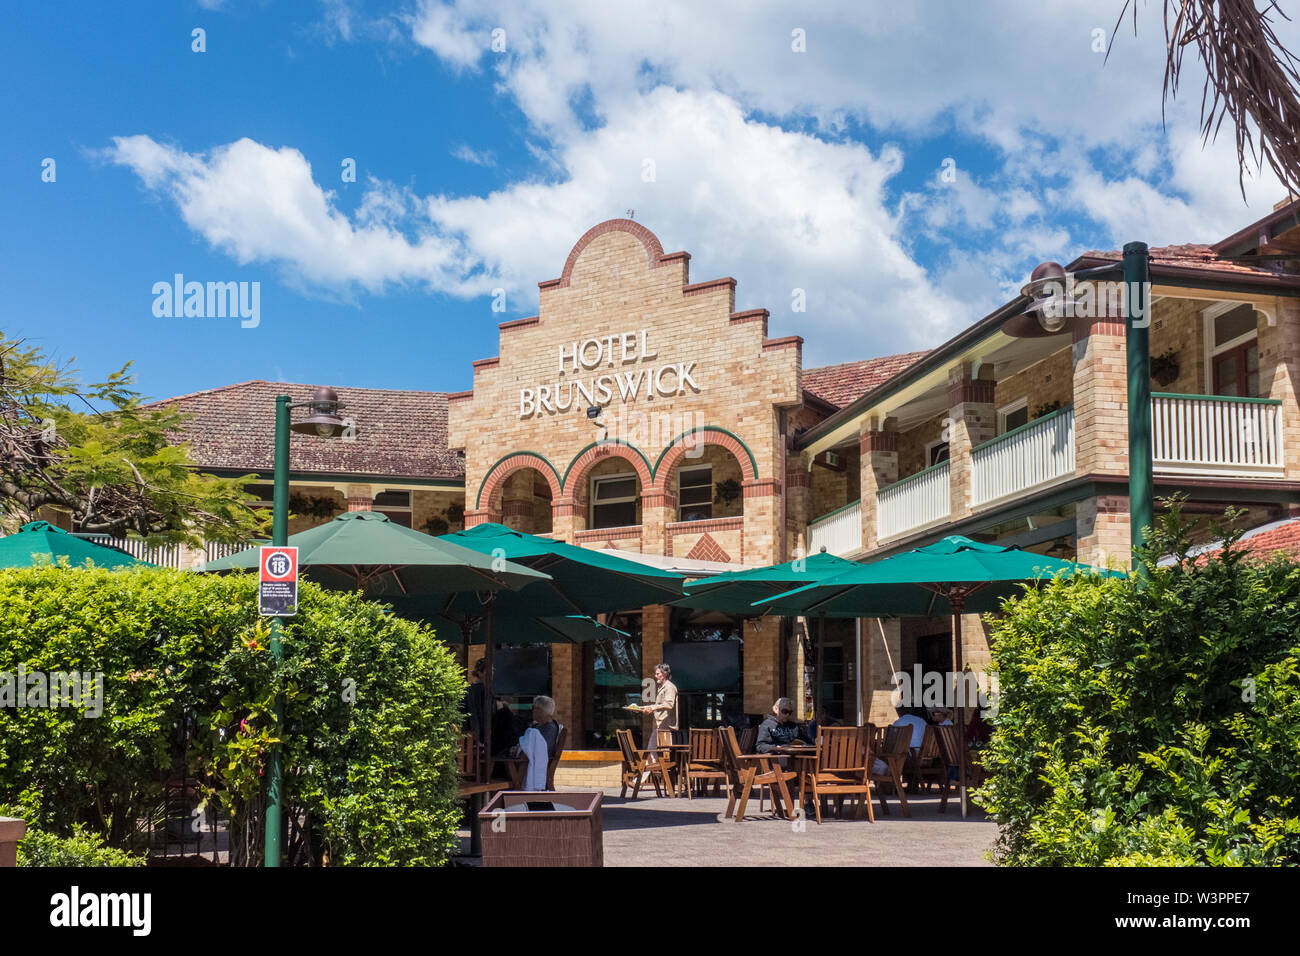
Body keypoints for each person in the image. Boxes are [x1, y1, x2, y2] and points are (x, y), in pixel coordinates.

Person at [513, 695, 560, 791]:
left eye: (534, 708)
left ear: (541, 710)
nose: (532, 711)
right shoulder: (537, 727)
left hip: (524, 765)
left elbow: (538, 751)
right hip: (523, 763)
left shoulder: (549, 729)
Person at [756, 698, 812, 770]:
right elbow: (760, 746)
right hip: (776, 762)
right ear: (776, 710)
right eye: (785, 711)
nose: (787, 715)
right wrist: (776, 748)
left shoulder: (793, 726)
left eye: (790, 712)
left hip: (794, 761)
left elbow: (806, 741)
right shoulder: (767, 725)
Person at [642, 663, 679, 750]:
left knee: (663, 752)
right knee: (653, 749)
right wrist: (646, 708)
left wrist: (652, 708)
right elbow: (659, 705)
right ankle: (650, 763)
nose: (655, 676)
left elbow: (669, 704)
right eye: (655, 674)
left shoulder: (669, 687)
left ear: (665, 674)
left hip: (665, 726)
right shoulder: (661, 687)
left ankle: (650, 764)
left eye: (658, 674)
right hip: (659, 725)